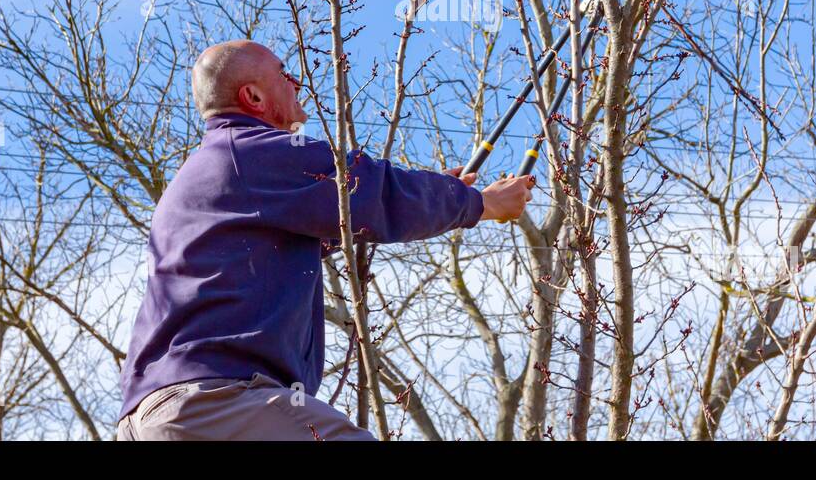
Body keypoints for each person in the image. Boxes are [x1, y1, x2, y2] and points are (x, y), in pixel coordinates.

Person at [117, 40, 534, 440]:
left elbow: (334, 220)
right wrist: (480, 203)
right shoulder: (255, 152)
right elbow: (372, 193)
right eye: (283, 74)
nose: (296, 82)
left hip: (155, 415)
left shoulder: (213, 168)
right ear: (253, 97)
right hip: (215, 403)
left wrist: (445, 196)